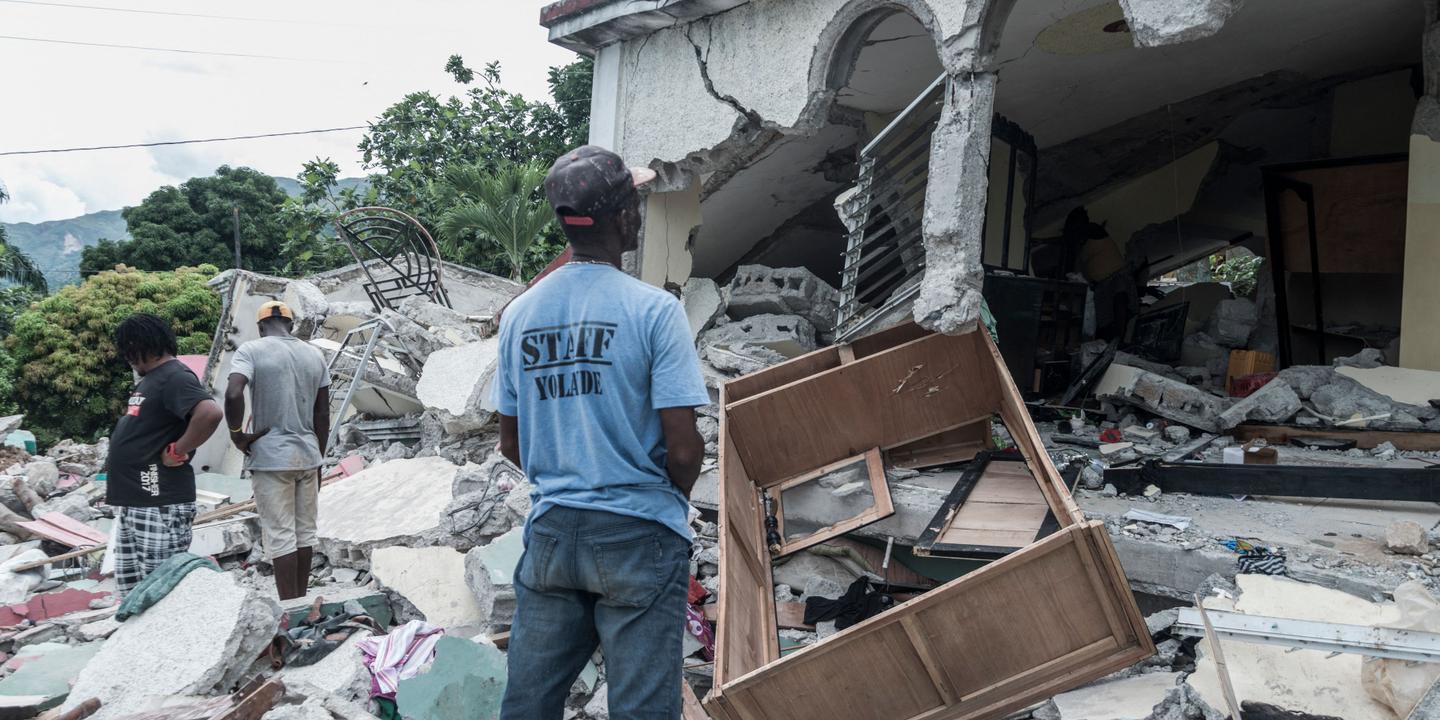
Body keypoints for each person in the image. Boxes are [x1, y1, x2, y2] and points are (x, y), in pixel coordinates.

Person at [494, 145, 708, 720]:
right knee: (641, 709)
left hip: (552, 537)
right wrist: (663, 502)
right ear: (624, 218)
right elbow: (685, 449)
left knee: (527, 703)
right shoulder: (654, 310)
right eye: (634, 201)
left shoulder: (520, 314)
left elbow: (510, 443)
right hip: (639, 534)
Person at [105, 313, 223, 596]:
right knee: (135, 593)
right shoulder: (152, 380)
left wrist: (179, 449)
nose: (128, 358)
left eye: (128, 350)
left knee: (162, 590)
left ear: (138, 345)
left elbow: (210, 412)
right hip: (137, 501)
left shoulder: (174, 376)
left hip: (159, 501)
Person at [224, 301, 330, 601]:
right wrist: (318, 458)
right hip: (308, 455)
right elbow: (322, 414)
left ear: (260, 328)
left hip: (271, 458)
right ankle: (301, 602)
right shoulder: (314, 354)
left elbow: (233, 393)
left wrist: (237, 436)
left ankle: (289, 606)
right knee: (305, 532)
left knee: (281, 534)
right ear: (291, 325)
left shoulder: (251, 350)